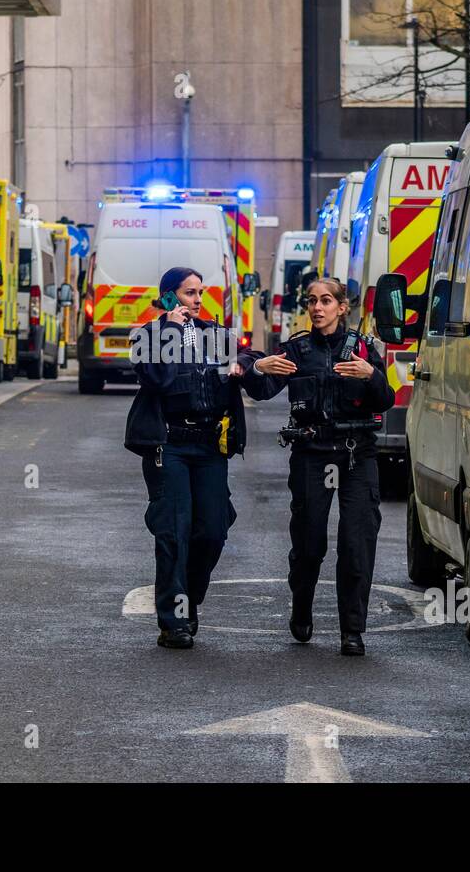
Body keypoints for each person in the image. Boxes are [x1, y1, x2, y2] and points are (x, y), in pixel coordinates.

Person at [239, 277, 394, 656]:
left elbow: (386, 399)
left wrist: (371, 375)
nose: (317, 307)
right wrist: (257, 366)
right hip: (312, 452)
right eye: (312, 301)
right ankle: (302, 608)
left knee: (357, 542)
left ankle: (352, 631)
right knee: (309, 544)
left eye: (326, 301)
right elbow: (260, 389)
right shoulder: (298, 350)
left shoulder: (362, 349)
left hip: (358, 454)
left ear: (343, 307)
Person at [124, 266, 247, 649]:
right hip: (170, 445)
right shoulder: (146, 336)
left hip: (210, 445)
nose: (196, 300)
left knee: (212, 530)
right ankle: (173, 620)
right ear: (168, 297)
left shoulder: (216, 336)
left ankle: (189, 600)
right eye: (188, 293)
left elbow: (243, 368)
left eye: (199, 293)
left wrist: (252, 365)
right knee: (173, 532)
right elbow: (157, 379)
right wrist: (172, 329)